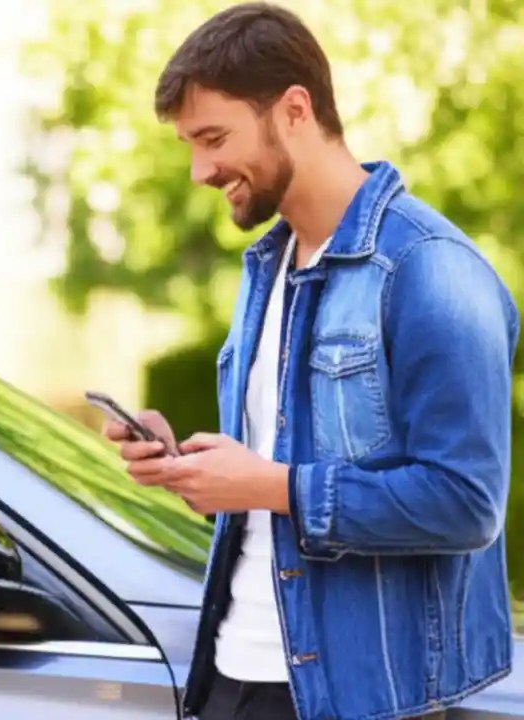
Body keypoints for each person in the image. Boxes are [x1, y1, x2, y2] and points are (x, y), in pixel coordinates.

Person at [101, 3, 520, 720]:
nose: (200, 170)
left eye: (213, 137)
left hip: (360, 699)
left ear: (294, 109)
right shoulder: (267, 268)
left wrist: (272, 486)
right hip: (232, 675)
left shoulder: (430, 270)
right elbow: (281, 473)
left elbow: (465, 503)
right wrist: (198, 473)